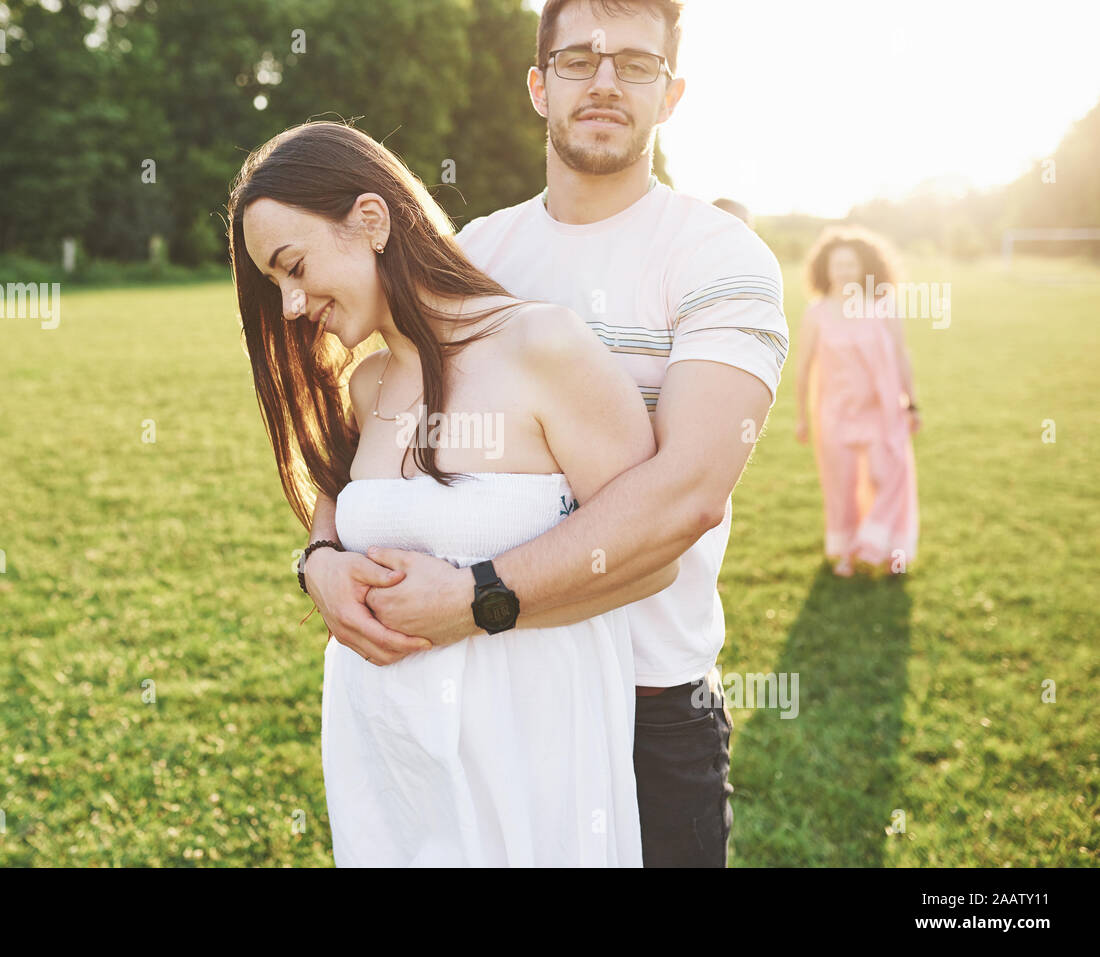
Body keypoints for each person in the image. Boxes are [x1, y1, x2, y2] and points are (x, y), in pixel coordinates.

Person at [304, 0, 790, 867]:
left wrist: (478, 595)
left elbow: (686, 494)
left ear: (671, 94)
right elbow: (371, 423)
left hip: (650, 696)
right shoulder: (475, 255)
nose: (605, 83)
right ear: (537, 84)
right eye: (577, 61)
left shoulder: (720, 257)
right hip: (494, 693)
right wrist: (320, 555)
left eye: (636, 65)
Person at [229, 120, 680, 866]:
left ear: (370, 221)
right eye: (275, 283)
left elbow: (650, 556)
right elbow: (336, 510)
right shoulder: (366, 386)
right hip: (392, 772)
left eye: (294, 266)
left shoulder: (543, 347)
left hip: (526, 768)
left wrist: (479, 600)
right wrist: (316, 565)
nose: (291, 304)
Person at [795, 226, 920, 576]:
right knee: (842, 484)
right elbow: (803, 368)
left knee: (888, 475)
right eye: (838, 265)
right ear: (826, 269)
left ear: (863, 268)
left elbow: (900, 355)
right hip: (834, 412)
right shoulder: (816, 313)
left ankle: (885, 546)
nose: (845, 271)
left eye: (851, 264)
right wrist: (801, 417)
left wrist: (912, 403)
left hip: (882, 411)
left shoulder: (882, 305)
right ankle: (848, 551)